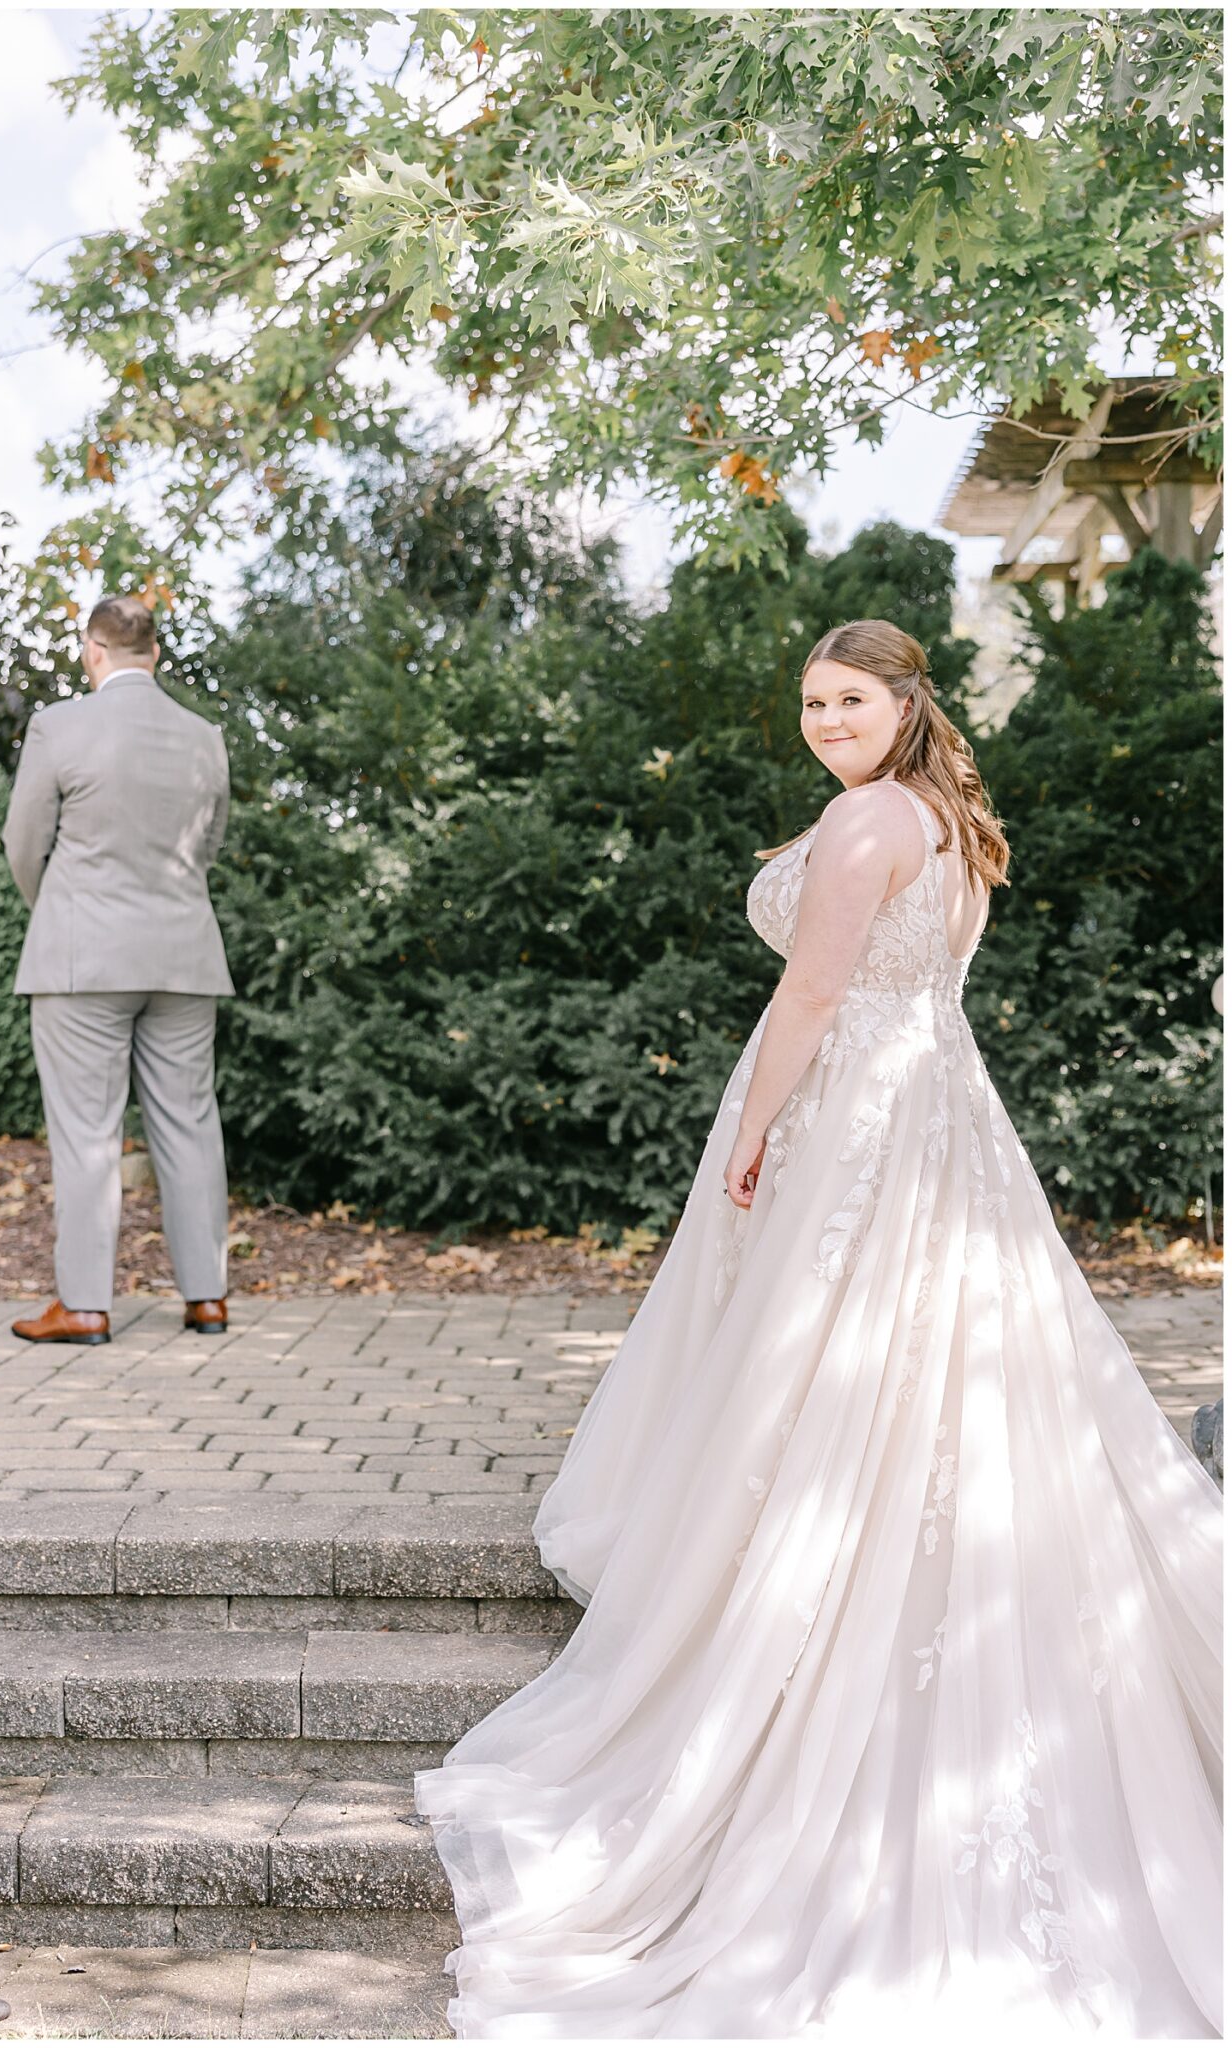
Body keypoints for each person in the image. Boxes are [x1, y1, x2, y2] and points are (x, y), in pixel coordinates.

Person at [413, 619, 1223, 2040]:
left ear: (907, 701)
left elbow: (815, 989)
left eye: (849, 698)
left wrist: (764, 1121)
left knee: (837, 1364)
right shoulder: (941, 818)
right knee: (931, 1364)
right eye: (809, 700)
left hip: (860, 1111)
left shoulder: (868, 824)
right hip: (935, 1106)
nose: (824, 718)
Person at [0, 594, 234, 1345]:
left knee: (87, 1136)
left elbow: (22, 842)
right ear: (155, 654)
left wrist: (60, 911)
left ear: (91, 650)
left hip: (82, 959)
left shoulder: (59, 725)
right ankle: (207, 1299)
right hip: (184, 954)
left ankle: (86, 1306)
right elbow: (211, 844)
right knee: (191, 1126)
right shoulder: (205, 738)